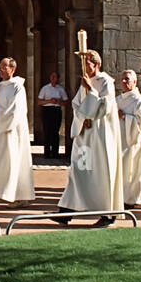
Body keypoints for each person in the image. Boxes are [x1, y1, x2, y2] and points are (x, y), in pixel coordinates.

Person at [52, 50, 123, 226]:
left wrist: (91, 92)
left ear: (96, 64)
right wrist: (82, 119)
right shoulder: (85, 81)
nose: (83, 67)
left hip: (100, 135)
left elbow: (106, 106)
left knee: (100, 173)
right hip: (85, 136)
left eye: (86, 63)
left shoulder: (105, 81)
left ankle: (107, 214)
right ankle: (66, 212)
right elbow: (76, 105)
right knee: (79, 171)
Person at [0, 57, 35, 210]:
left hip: (12, 132)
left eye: (4, 67)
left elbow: (16, 112)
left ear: (13, 69)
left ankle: (10, 197)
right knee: (0, 163)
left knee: (12, 162)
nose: (0, 70)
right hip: (0, 131)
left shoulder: (18, 87)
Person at [116, 69, 141, 206]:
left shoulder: (139, 101)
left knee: (131, 169)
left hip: (132, 141)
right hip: (118, 139)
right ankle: (119, 196)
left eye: (127, 79)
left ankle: (131, 198)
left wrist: (125, 117)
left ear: (135, 82)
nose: (124, 82)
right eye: (123, 79)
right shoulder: (118, 99)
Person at [37, 71, 68, 159]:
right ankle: (46, 153)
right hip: (47, 110)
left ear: (58, 79)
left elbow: (66, 101)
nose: (53, 79)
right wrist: (49, 101)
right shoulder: (45, 88)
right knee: (47, 131)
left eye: (55, 77)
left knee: (55, 132)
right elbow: (39, 101)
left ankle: (55, 153)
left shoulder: (60, 89)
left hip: (56, 110)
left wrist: (58, 101)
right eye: (52, 77)